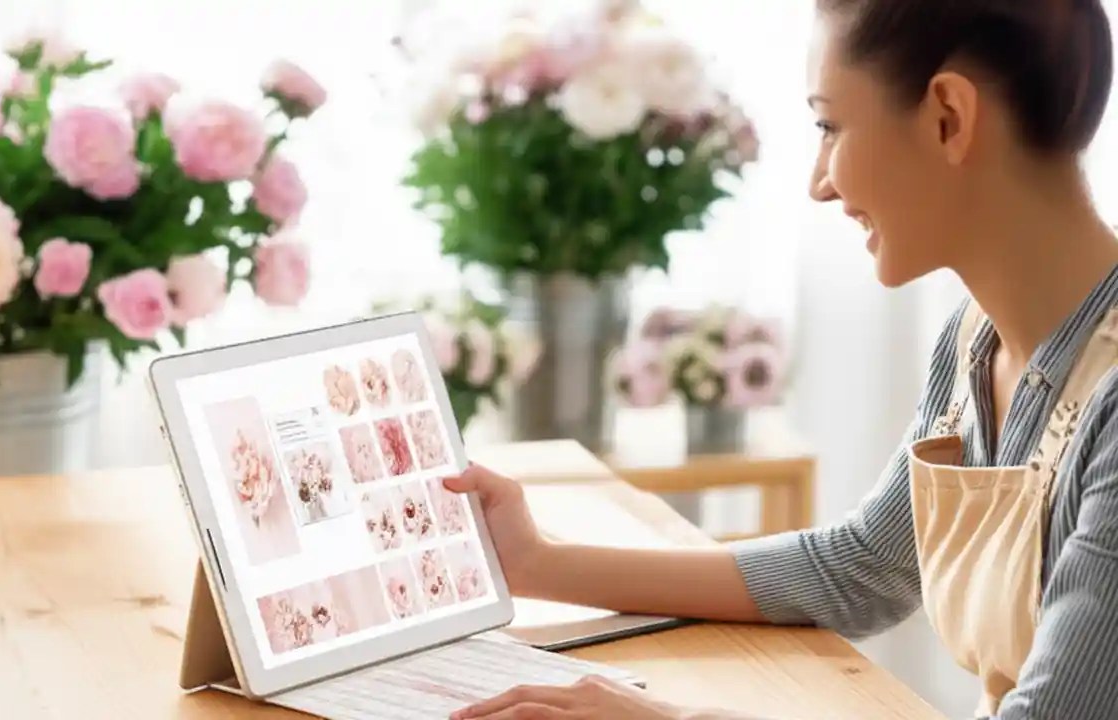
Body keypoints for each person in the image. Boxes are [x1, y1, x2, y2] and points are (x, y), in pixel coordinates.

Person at [442, 0, 1118, 718]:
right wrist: (539, 563)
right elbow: (863, 566)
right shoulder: (974, 342)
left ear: (948, 117)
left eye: (830, 126)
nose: (820, 180)